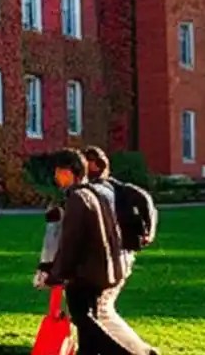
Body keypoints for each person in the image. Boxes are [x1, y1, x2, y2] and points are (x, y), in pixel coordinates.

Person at [45, 148, 155, 355]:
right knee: (91, 326)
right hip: (105, 267)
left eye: (57, 171)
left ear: (68, 172)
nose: (55, 177)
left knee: (84, 319)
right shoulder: (98, 192)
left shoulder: (78, 198)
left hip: (89, 272)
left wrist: (56, 275)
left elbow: (71, 242)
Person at [83, 147, 158, 355]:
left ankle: (140, 351)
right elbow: (146, 200)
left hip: (115, 256)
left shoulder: (109, 190)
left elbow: (146, 201)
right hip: (115, 255)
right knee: (101, 311)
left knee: (102, 310)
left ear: (96, 165)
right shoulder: (117, 189)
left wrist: (148, 231)